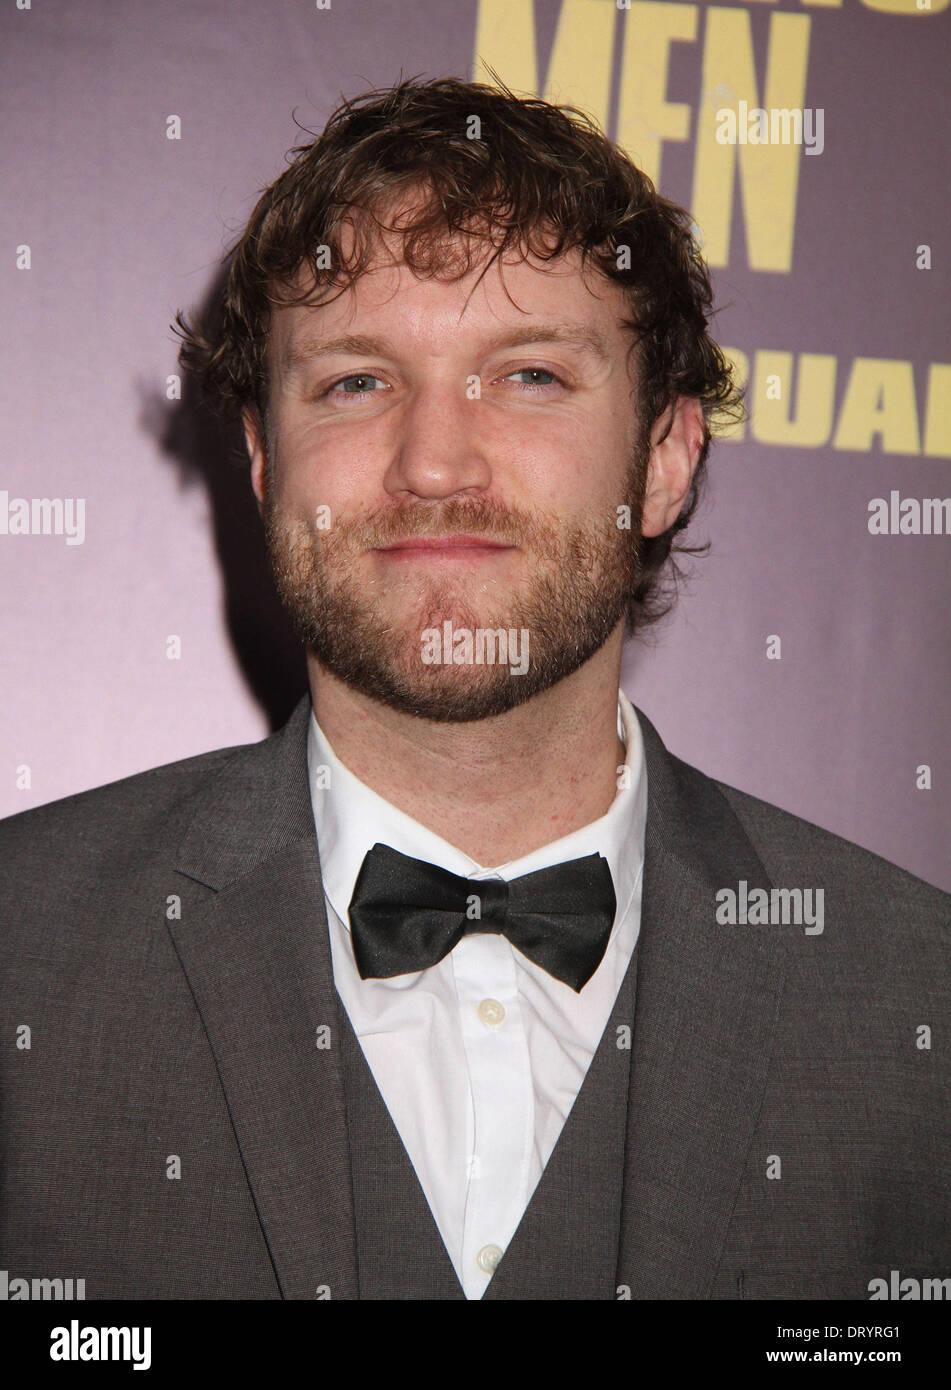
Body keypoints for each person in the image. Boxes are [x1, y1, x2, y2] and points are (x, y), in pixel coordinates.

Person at [1, 76, 947, 1302]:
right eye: (355, 381)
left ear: (664, 456)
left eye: (529, 375)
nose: (435, 463)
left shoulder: (915, 1006)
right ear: (260, 457)